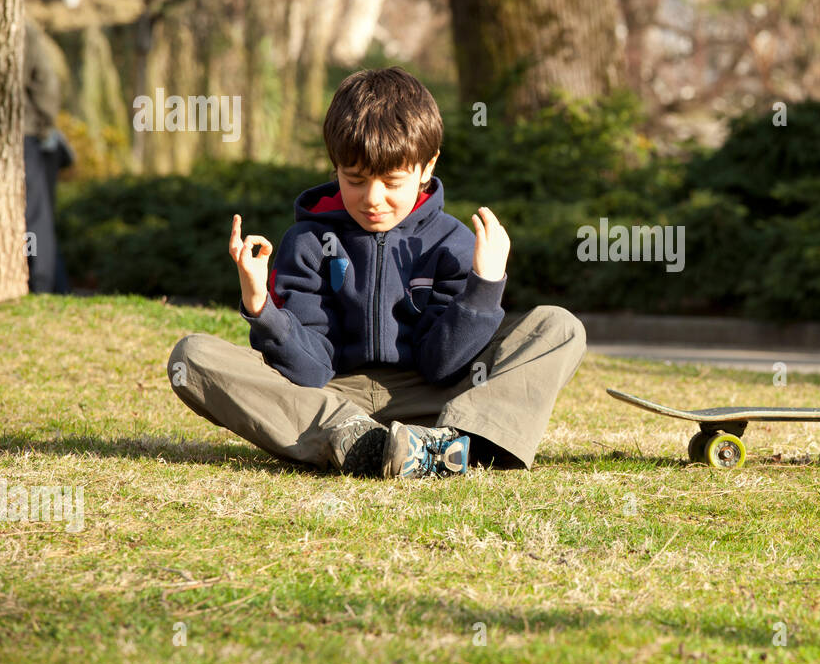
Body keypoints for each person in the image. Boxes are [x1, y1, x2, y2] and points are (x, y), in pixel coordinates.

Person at [166, 67, 586, 478]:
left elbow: (441, 365)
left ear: (427, 167)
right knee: (193, 356)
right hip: (330, 401)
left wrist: (483, 289)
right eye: (356, 179)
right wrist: (263, 309)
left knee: (559, 327)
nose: (373, 199)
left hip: (433, 398)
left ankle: (450, 443)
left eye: (392, 181)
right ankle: (357, 443)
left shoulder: (451, 242)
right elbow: (310, 371)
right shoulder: (307, 242)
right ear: (336, 167)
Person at [24, 20, 75, 293]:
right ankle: (47, 286)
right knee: (37, 218)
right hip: (28, 136)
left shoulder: (17, 29)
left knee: (35, 220)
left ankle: (44, 286)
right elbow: (46, 81)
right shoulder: (19, 28)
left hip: (24, 136)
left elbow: (46, 82)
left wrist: (43, 128)